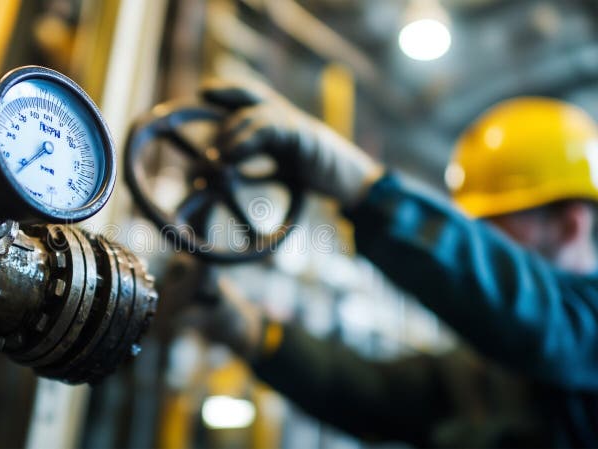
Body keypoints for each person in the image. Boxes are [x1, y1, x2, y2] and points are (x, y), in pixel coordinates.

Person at [183, 83, 598, 447]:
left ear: (569, 224)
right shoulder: (485, 374)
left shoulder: (577, 327)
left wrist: (365, 190)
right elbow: (372, 392)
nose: (482, 250)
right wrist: (247, 329)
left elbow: (542, 321)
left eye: (495, 230)